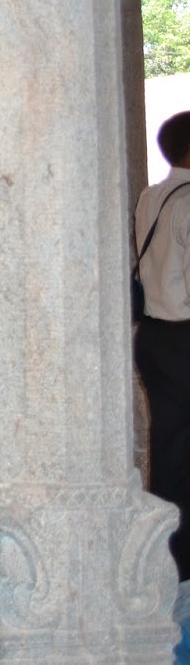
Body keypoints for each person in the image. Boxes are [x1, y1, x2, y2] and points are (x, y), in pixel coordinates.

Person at [135, 111, 190, 587]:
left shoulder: (152, 196)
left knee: (170, 448)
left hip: (154, 337)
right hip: (185, 337)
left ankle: (168, 558)